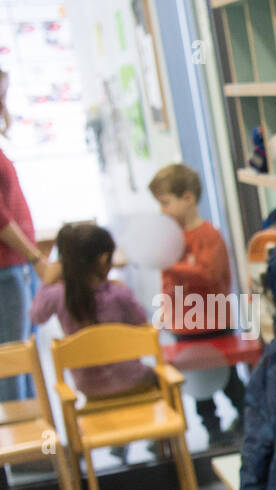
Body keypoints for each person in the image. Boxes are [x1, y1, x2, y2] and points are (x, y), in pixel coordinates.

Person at [149, 162, 244, 446]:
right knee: (197, 383)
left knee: (227, 378)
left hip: (213, 322)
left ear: (187, 198)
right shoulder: (171, 237)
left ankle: (249, 419)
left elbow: (208, 275)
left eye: (165, 203)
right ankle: (213, 430)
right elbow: (167, 282)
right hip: (184, 325)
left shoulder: (209, 236)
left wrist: (172, 265)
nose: (162, 211)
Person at [30, 223, 156, 400]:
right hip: (132, 382)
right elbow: (142, 326)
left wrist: (47, 283)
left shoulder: (58, 295)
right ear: (104, 259)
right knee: (159, 376)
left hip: (90, 390)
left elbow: (36, 316)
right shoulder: (118, 292)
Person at [0, 67, 51, 403]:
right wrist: (36, 258)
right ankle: (21, 446)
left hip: (16, 267)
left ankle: (36, 443)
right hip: (8, 268)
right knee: (13, 356)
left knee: (25, 352)